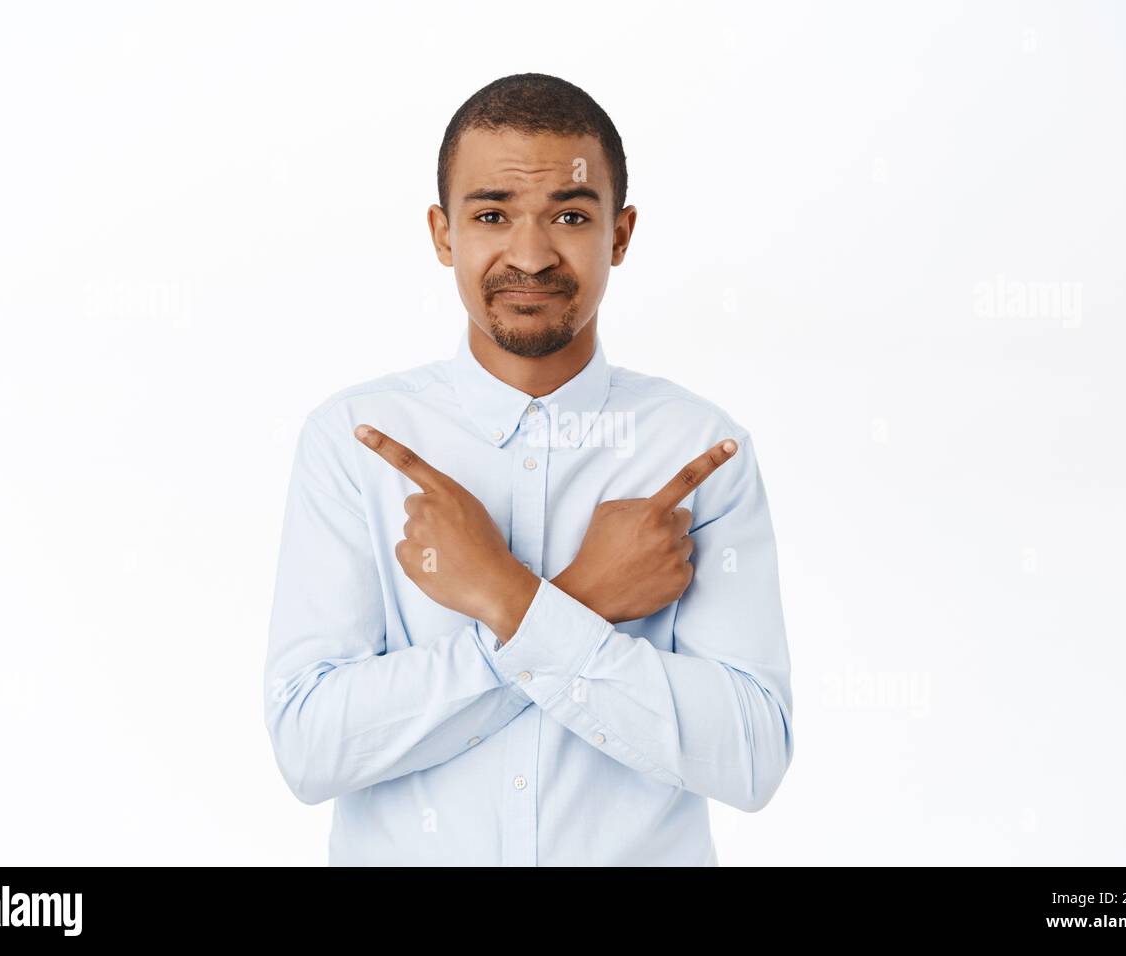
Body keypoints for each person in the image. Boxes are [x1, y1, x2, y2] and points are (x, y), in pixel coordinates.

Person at [263, 72, 793, 865]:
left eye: (571, 216)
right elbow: (311, 749)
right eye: (491, 214)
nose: (531, 256)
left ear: (620, 234)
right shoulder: (355, 440)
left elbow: (750, 759)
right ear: (444, 234)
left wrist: (503, 596)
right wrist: (579, 604)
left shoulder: (698, 450)